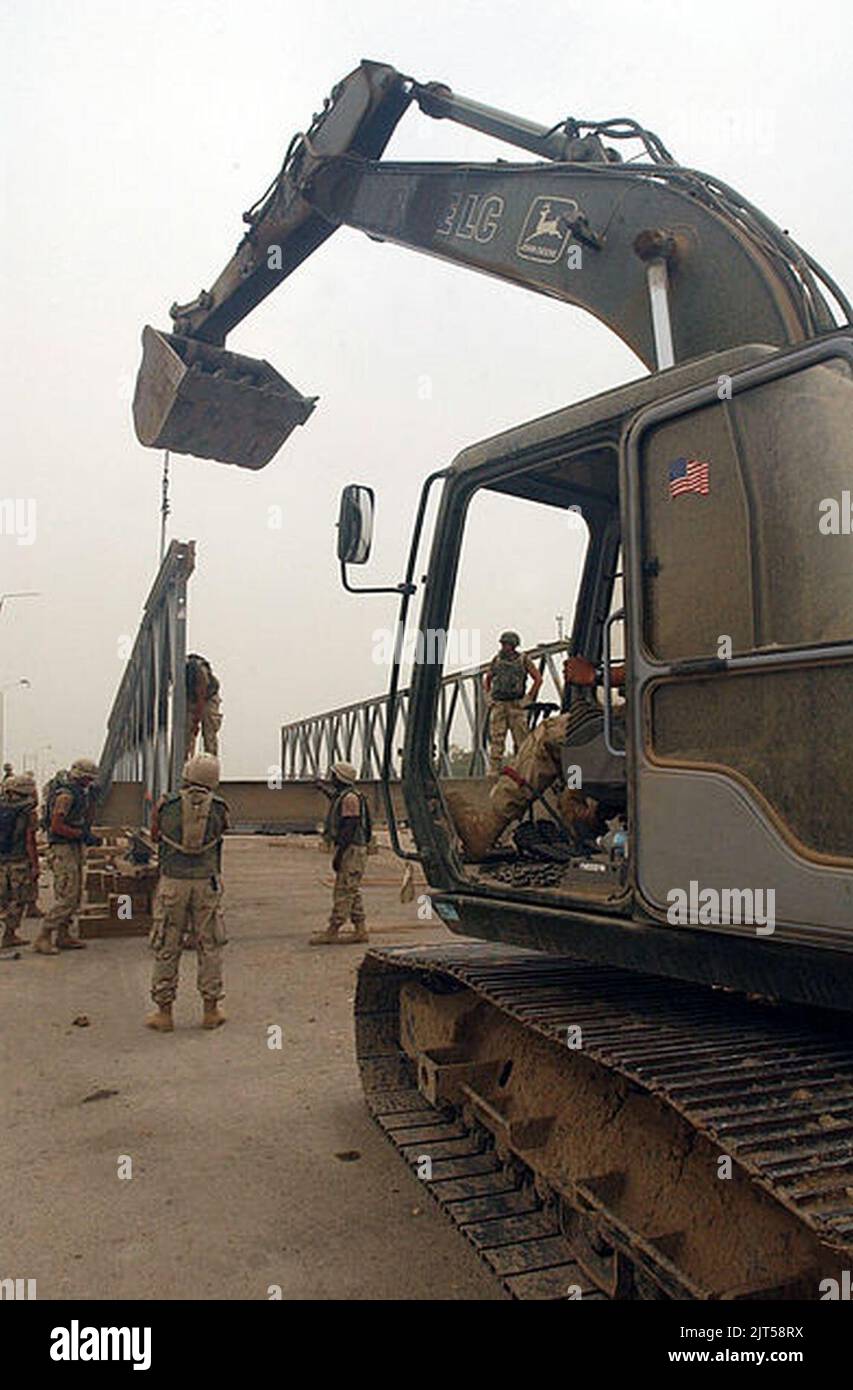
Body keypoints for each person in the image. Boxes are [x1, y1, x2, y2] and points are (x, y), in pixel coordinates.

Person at [448, 655, 626, 860]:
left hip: (641, 730)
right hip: (648, 732)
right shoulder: (500, 660)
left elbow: (659, 662)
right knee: (574, 773)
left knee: (549, 735)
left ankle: (486, 829)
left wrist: (597, 675)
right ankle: (586, 825)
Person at [146, 753, 229, 1032]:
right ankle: (211, 1010)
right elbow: (222, 833)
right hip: (205, 882)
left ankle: (164, 1013)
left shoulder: (166, 804)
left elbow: (155, 835)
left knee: (167, 943)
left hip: (173, 882)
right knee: (210, 945)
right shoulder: (219, 807)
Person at [34, 758, 101, 955]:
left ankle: (63, 934)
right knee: (67, 895)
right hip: (63, 849)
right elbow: (56, 826)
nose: (89, 783)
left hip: (73, 846)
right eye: (88, 779)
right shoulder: (66, 796)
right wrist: (82, 835)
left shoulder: (81, 793)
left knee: (75, 893)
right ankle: (44, 935)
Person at [311, 761, 371, 945]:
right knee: (352, 889)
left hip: (351, 849)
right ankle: (360, 929)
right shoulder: (346, 796)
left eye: (333, 776)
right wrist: (322, 788)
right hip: (353, 848)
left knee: (343, 890)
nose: (332, 779)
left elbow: (349, 827)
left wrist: (339, 853)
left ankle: (333, 930)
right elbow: (335, 799)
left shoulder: (350, 799)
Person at [484, 631, 542, 776]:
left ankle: (523, 770)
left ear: (514, 645)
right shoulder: (497, 660)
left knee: (522, 740)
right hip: (499, 704)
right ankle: (494, 770)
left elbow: (538, 679)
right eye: (503, 644)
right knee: (497, 739)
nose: (504, 647)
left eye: (507, 644)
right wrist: (489, 698)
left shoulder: (523, 660)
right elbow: (488, 679)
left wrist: (528, 699)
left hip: (516, 704)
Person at [0, 775, 39, 948]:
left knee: (3, 898)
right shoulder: (28, 811)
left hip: (2, 860)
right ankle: (9, 935)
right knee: (18, 899)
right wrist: (35, 865)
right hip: (18, 861)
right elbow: (30, 840)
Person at [185, 654, 222, 759]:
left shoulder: (195, 670)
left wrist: (196, 721)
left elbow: (201, 695)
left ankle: (211, 764)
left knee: (209, 731)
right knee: (186, 731)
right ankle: (184, 765)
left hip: (209, 696)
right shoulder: (176, 672)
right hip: (191, 696)